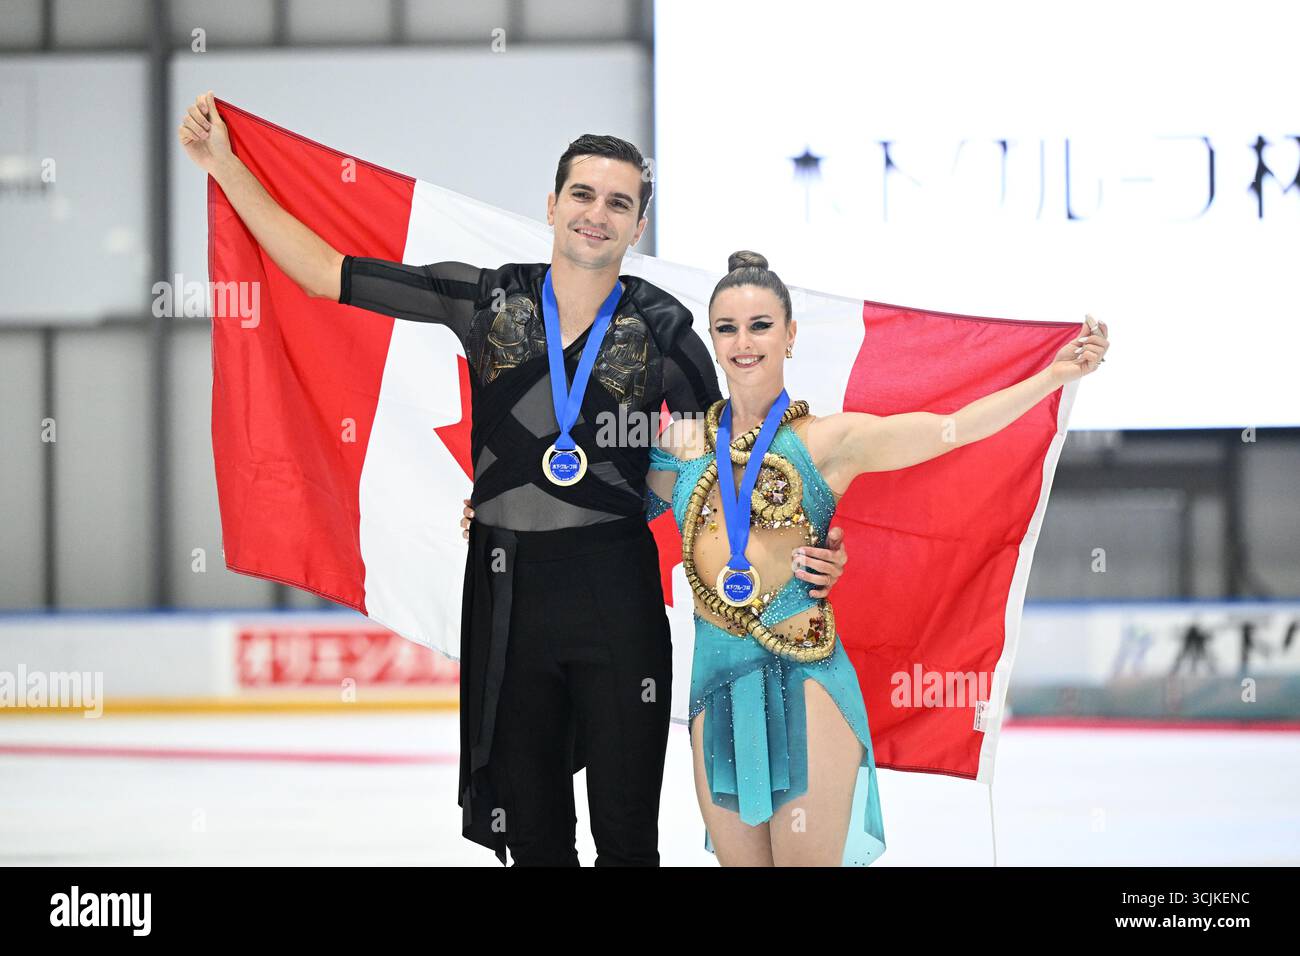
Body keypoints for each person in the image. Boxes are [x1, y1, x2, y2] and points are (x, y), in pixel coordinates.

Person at [177, 92, 851, 866]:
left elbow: (734, 475)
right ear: (554, 204)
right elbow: (327, 274)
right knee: (532, 842)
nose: (597, 214)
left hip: (616, 593)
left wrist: (818, 548)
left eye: (619, 203)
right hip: (505, 593)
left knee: (627, 842)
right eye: (583, 194)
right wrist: (225, 166)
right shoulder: (487, 296)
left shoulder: (666, 329)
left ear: (639, 226)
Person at [639, 250, 1109, 865]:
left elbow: (954, 428)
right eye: (726, 328)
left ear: (790, 336)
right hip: (714, 685)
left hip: (806, 679)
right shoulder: (681, 444)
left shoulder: (832, 441)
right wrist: (488, 510)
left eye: (760, 326)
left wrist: (1053, 377)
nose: (743, 342)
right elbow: (597, 507)